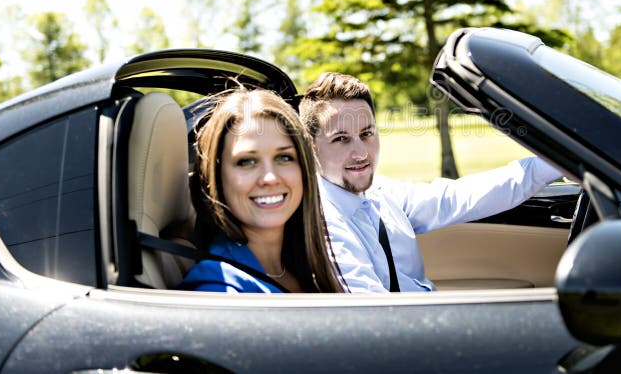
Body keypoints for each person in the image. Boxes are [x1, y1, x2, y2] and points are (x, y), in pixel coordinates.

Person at [299, 72, 563, 293]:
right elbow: (372, 317)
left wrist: (561, 160)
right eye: (341, 139)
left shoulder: (379, 192)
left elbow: (457, 198)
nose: (361, 153)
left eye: (366, 134)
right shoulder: (326, 227)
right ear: (311, 147)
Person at [180, 86, 345, 293]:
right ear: (216, 177)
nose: (270, 178)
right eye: (247, 161)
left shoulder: (309, 265)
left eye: (284, 157)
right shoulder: (219, 288)